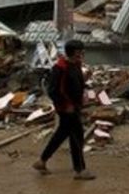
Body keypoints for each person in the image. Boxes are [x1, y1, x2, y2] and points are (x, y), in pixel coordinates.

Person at [33, 39, 95, 180]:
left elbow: (74, 84)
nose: (82, 54)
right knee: (77, 136)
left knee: (62, 134)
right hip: (66, 109)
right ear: (73, 53)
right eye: (80, 52)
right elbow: (53, 90)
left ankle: (41, 161)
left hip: (74, 106)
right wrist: (66, 105)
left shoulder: (75, 65)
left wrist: (85, 80)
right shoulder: (60, 68)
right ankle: (80, 170)